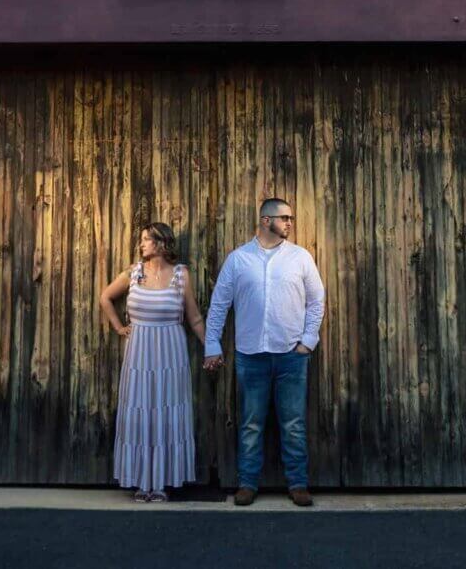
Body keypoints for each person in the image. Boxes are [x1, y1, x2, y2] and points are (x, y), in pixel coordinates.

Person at [203, 197, 325, 507]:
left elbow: (316, 301)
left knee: (294, 423)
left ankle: (298, 484)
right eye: (284, 217)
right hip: (251, 355)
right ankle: (247, 484)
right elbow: (219, 305)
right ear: (265, 220)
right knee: (251, 423)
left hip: (291, 355)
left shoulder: (300, 258)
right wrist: (212, 345)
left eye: (291, 218)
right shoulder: (238, 259)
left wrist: (307, 341)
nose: (289, 223)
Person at [98, 221, 206, 502]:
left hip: (171, 350)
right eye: (142, 239)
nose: (141, 244)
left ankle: (161, 482)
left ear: (160, 244)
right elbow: (106, 298)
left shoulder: (181, 275)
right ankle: (141, 482)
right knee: (140, 411)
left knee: (166, 412)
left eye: (146, 240)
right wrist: (119, 328)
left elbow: (194, 317)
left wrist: (212, 348)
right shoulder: (133, 273)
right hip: (139, 352)